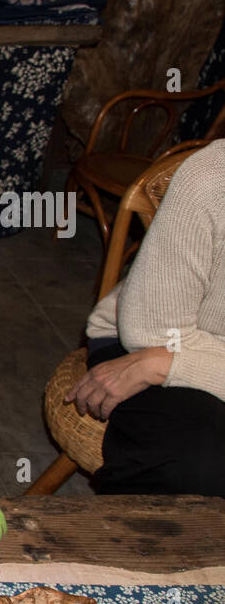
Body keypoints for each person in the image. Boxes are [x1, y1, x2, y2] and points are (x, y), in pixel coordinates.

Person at [65, 139, 225, 496]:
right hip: (147, 340)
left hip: (171, 356)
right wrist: (161, 357)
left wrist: (168, 363)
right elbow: (154, 333)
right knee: (192, 468)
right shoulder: (213, 176)